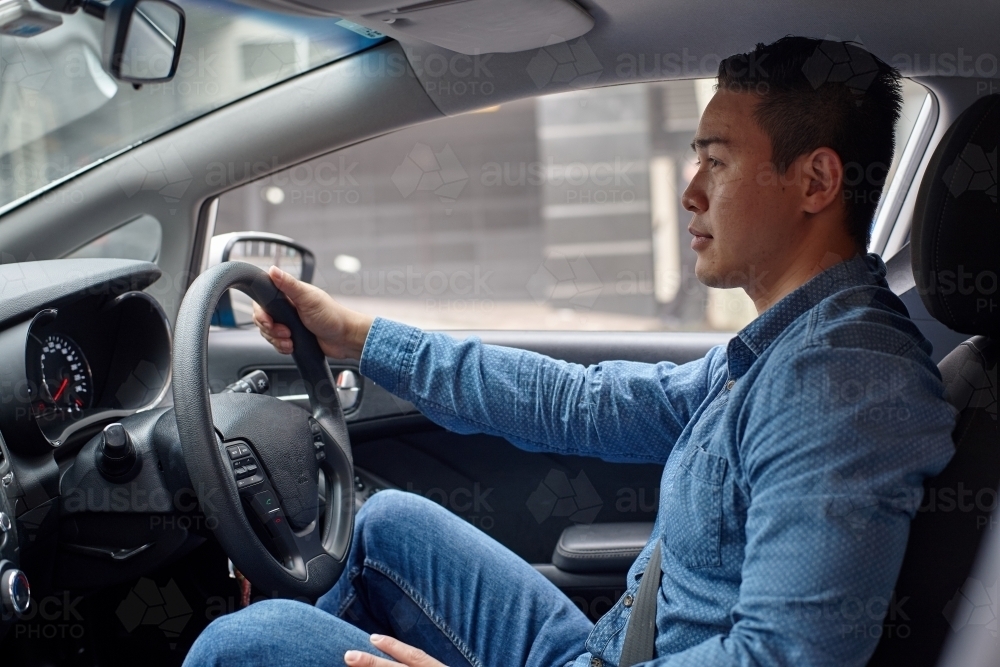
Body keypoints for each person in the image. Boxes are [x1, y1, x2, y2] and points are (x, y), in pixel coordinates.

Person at [184, 36, 956, 667]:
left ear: (816, 179)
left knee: (239, 645)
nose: (689, 191)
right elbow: (585, 402)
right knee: (386, 523)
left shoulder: (844, 386)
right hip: (608, 650)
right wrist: (359, 338)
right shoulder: (790, 344)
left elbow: (783, 659)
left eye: (716, 162)